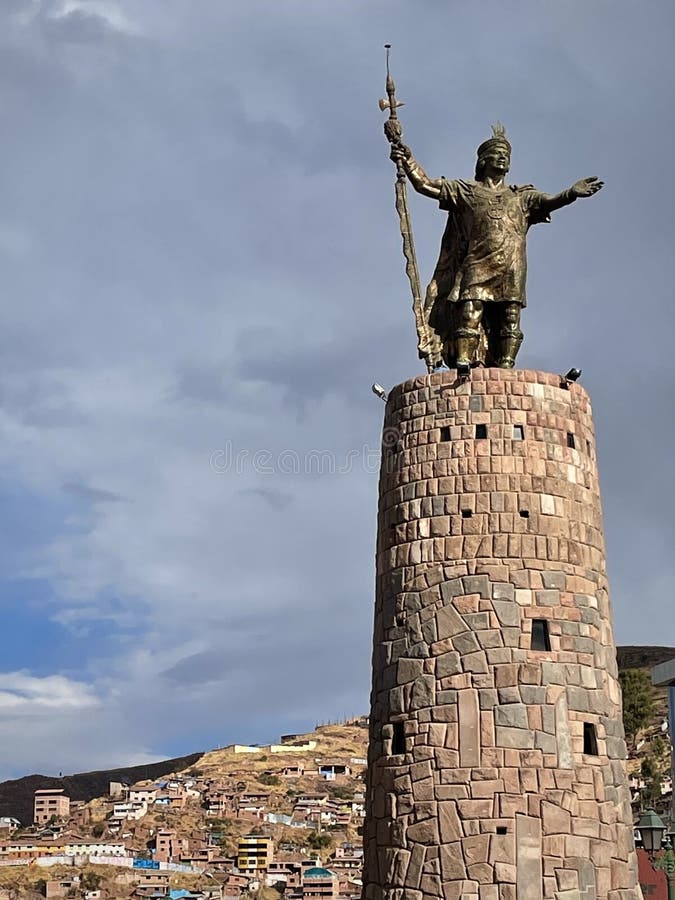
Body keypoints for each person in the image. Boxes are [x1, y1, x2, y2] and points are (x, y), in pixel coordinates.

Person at [390, 125, 603, 371]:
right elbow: (426, 186)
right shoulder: (466, 191)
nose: (503, 158)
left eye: (506, 155)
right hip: (477, 261)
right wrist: (407, 159)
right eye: (497, 153)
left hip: (512, 263)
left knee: (510, 314)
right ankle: (464, 360)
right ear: (483, 160)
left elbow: (548, 202)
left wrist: (570, 194)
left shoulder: (521, 196)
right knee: (471, 308)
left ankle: (506, 366)